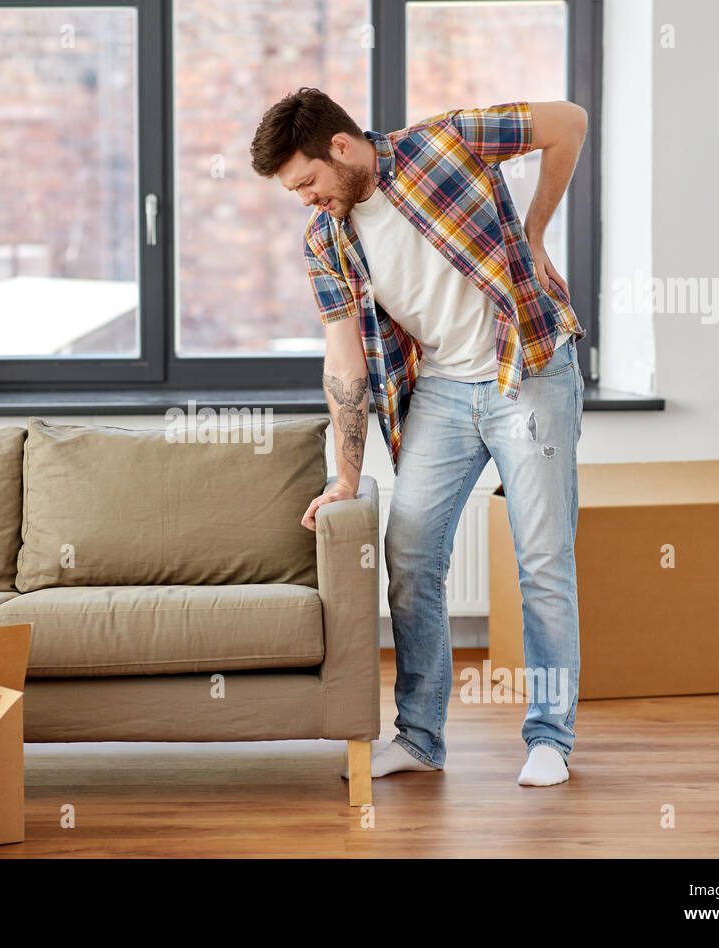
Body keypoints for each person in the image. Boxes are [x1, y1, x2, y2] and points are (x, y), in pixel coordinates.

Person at [249, 88, 587, 787]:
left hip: (528, 369)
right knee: (409, 554)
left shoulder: (449, 142)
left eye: (308, 182)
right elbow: (343, 363)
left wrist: (535, 230)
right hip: (443, 389)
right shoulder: (327, 237)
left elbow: (569, 123)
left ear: (340, 148)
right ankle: (420, 737)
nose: (307, 199)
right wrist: (345, 477)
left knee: (543, 559)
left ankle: (550, 738)